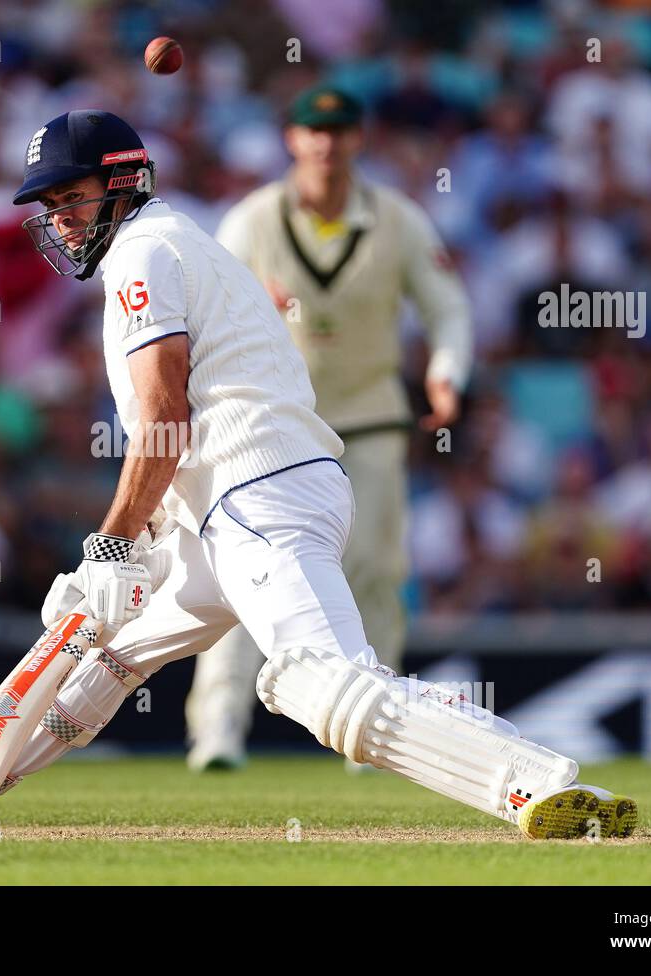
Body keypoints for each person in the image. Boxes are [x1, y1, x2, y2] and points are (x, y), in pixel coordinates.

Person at [0, 110, 636, 840]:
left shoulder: (142, 252)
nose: (60, 220)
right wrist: (143, 532)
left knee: (318, 682)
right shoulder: (177, 241)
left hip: (257, 494)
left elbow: (165, 415)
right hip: (228, 502)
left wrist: (111, 544)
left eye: (71, 198)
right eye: (51, 207)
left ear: (123, 184)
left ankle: (535, 781)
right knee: (105, 651)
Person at [185, 85, 473, 769]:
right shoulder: (252, 219)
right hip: (274, 422)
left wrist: (445, 374)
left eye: (339, 130)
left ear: (357, 139)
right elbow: (202, 308)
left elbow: (449, 308)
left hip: (370, 415)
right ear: (292, 139)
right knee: (250, 571)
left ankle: (372, 737)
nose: (326, 143)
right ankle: (219, 729)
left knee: (375, 568)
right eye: (313, 130)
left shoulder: (398, 219)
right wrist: (254, 300)